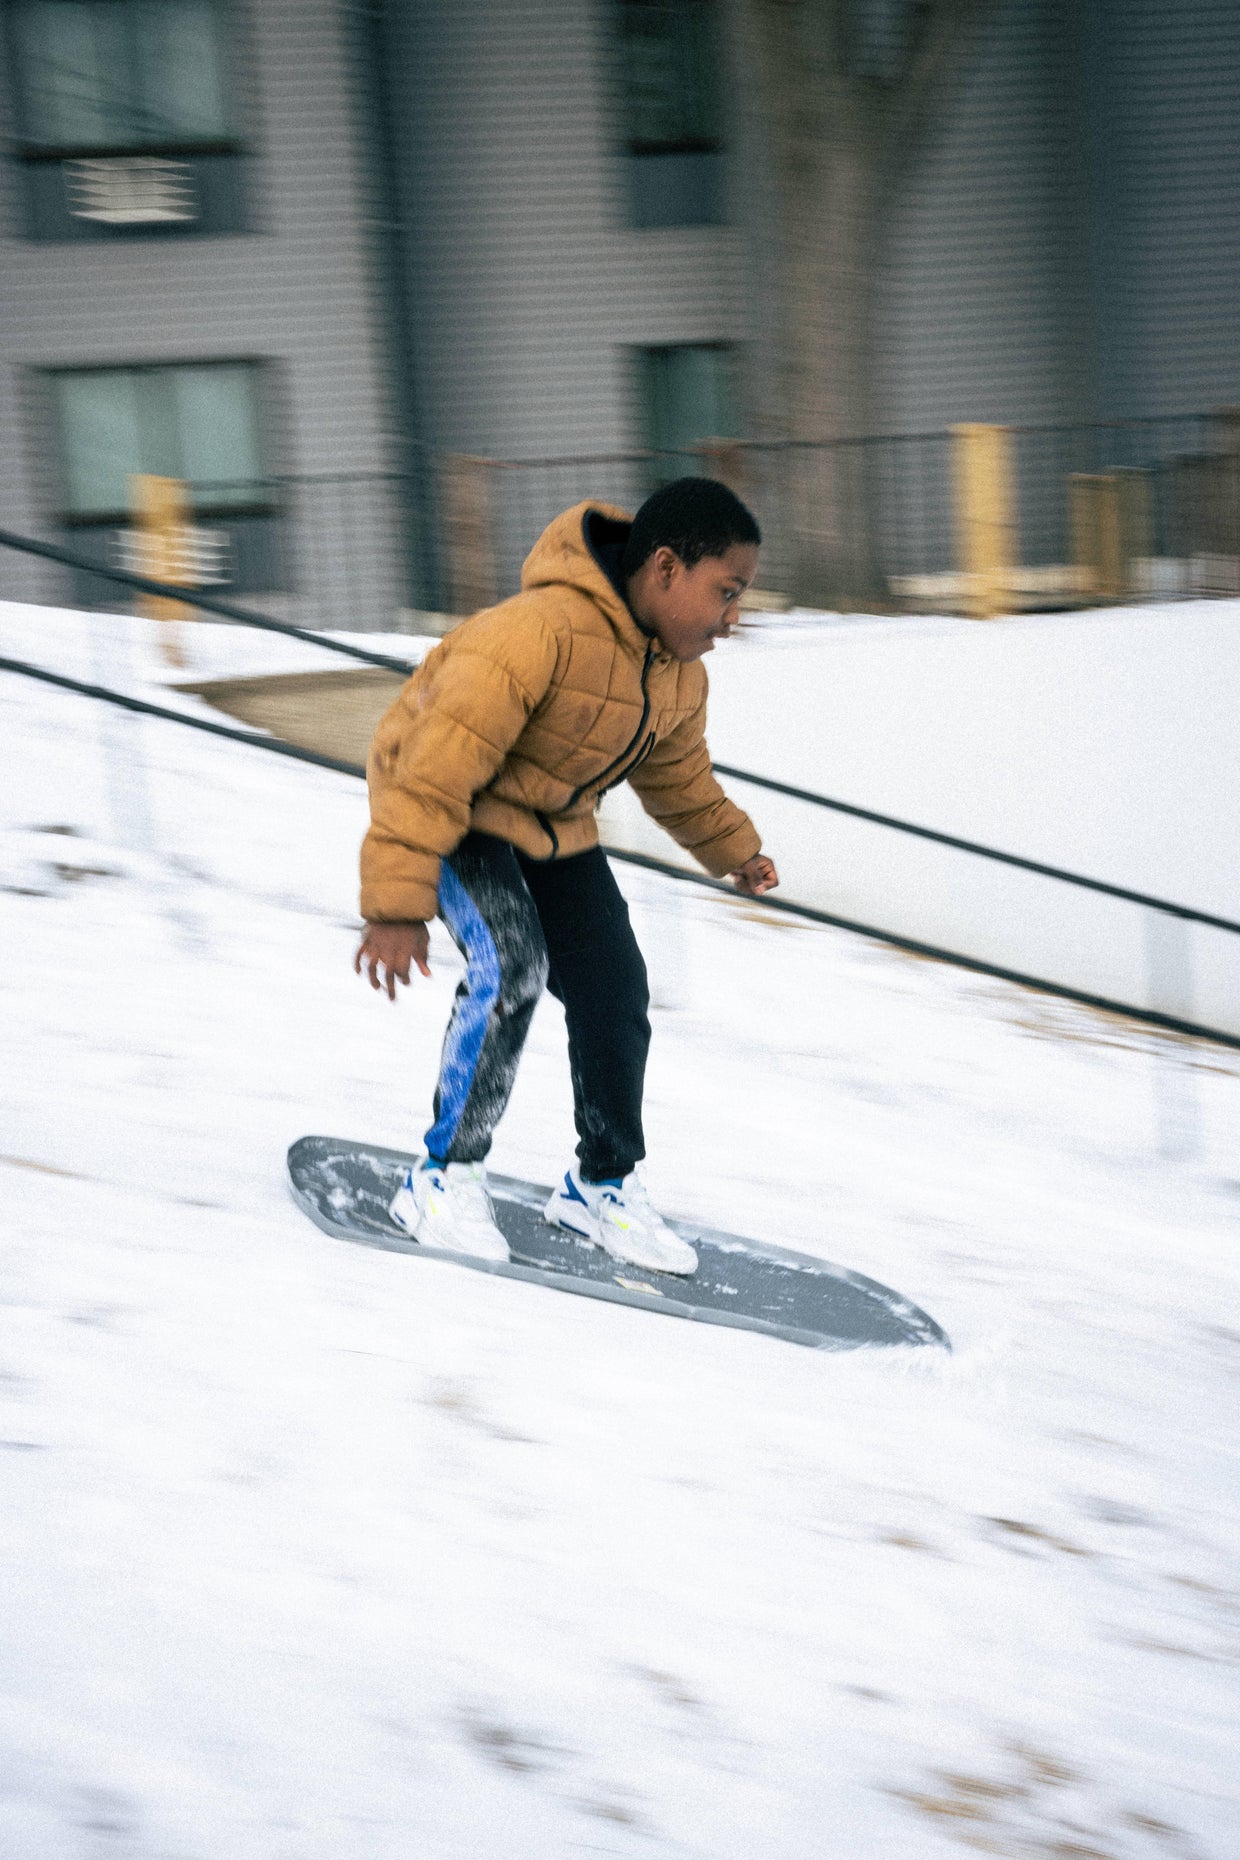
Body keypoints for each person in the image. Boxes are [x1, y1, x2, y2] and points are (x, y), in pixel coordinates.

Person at [354, 476, 778, 1275]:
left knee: (615, 987)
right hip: (450, 809)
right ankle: (441, 1177)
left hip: (551, 827)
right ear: (663, 569)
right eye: (725, 592)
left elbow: (678, 780)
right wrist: (396, 903)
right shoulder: (531, 634)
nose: (733, 619)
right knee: (511, 964)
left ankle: (601, 1184)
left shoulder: (678, 674)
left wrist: (734, 849)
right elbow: (430, 770)